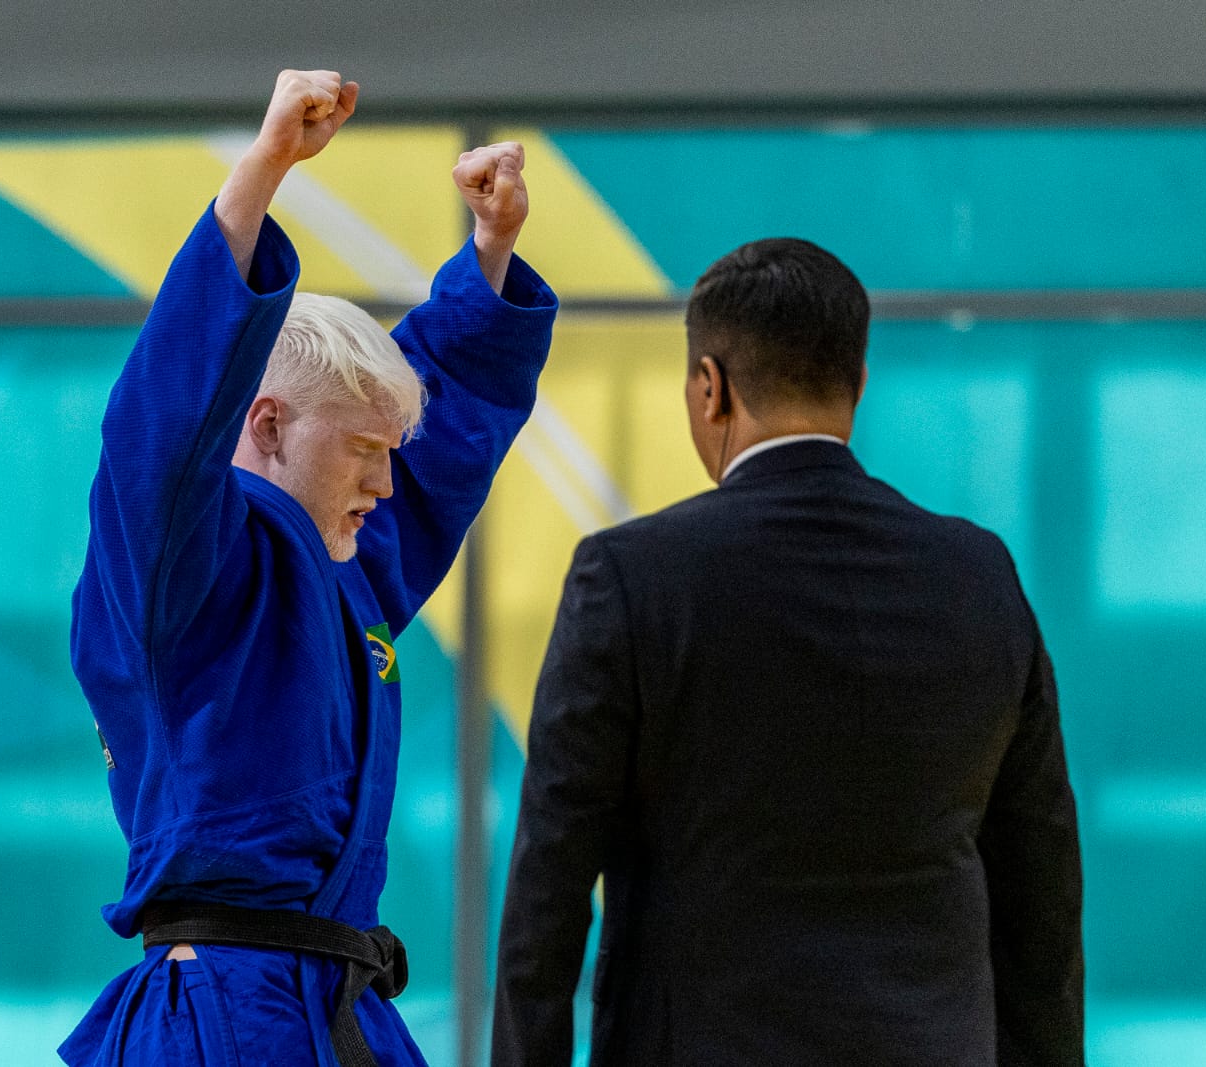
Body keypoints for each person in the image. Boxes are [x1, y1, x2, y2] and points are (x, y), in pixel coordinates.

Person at [63, 69, 556, 1066]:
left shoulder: (340, 570)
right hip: (218, 1020)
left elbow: (447, 425)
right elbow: (163, 422)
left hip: (337, 1004)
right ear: (268, 423)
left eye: (389, 450)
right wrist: (263, 171)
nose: (386, 481)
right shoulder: (172, 571)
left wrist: (490, 254)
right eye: (364, 449)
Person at [492, 238, 1082, 1065]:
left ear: (711, 388)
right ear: (858, 383)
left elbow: (548, 896)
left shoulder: (633, 577)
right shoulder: (978, 576)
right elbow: (1040, 892)